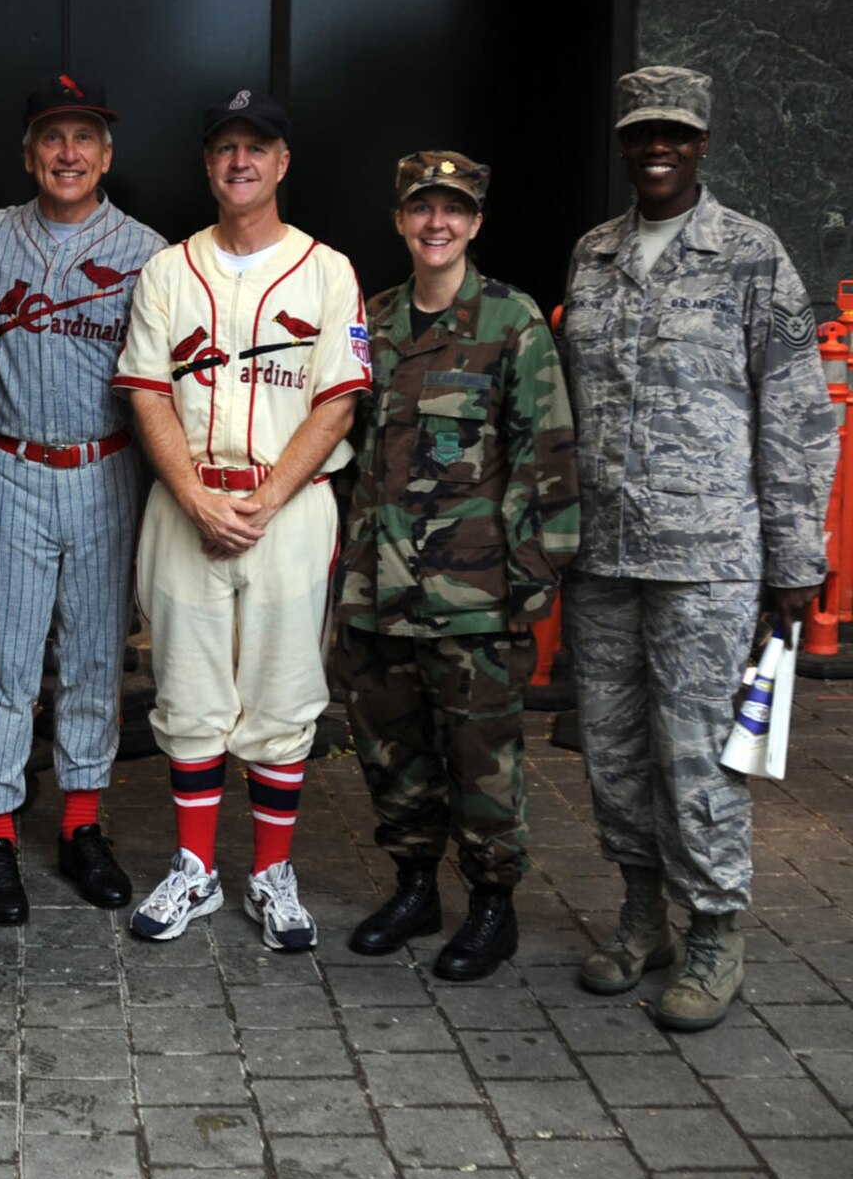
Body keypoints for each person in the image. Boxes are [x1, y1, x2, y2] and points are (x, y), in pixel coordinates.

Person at [561, 65, 832, 1030]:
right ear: (625, 145)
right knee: (614, 749)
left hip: (708, 557)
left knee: (700, 753)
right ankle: (642, 917)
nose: (657, 148)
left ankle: (715, 927)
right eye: (641, 134)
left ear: (703, 144)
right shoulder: (593, 254)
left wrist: (799, 558)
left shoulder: (751, 255)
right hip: (602, 556)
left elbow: (798, 412)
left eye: (674, 133)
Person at [111, 88, 370, 950]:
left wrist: (266, 497)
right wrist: (192, 495)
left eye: (257, 147)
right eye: (225, 147)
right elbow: (147, 390)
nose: (240, 161)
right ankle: (194, 872)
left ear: (283, 163)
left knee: (285, 694)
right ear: (209, 163)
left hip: (288, 506)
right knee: (186, 694)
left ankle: (269, 873)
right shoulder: (168, 269)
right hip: (187, 502)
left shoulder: (328, 269)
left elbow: (339, 402)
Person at [333, 151, 579, 980]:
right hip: (377, 590)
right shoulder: (373, 318)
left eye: (453, 209)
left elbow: (547, 453)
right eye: (420, 208)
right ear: (401, 220)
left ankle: (491, 906)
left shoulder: (512, 323)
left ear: (475, 223)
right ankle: (414, 888)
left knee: (482, 760)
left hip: (476, 593)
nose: (435, 222)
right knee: (390, 751)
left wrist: (535, 581)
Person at [0, 75, 162, 923]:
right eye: (53, 137)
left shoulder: (151, 252)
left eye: (84, 138)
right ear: (29, 153)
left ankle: (82, 824)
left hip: (108, 465)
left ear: (107, 155)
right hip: (8, 464)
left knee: (91, 658)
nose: (68, 153)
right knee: (4, 655)